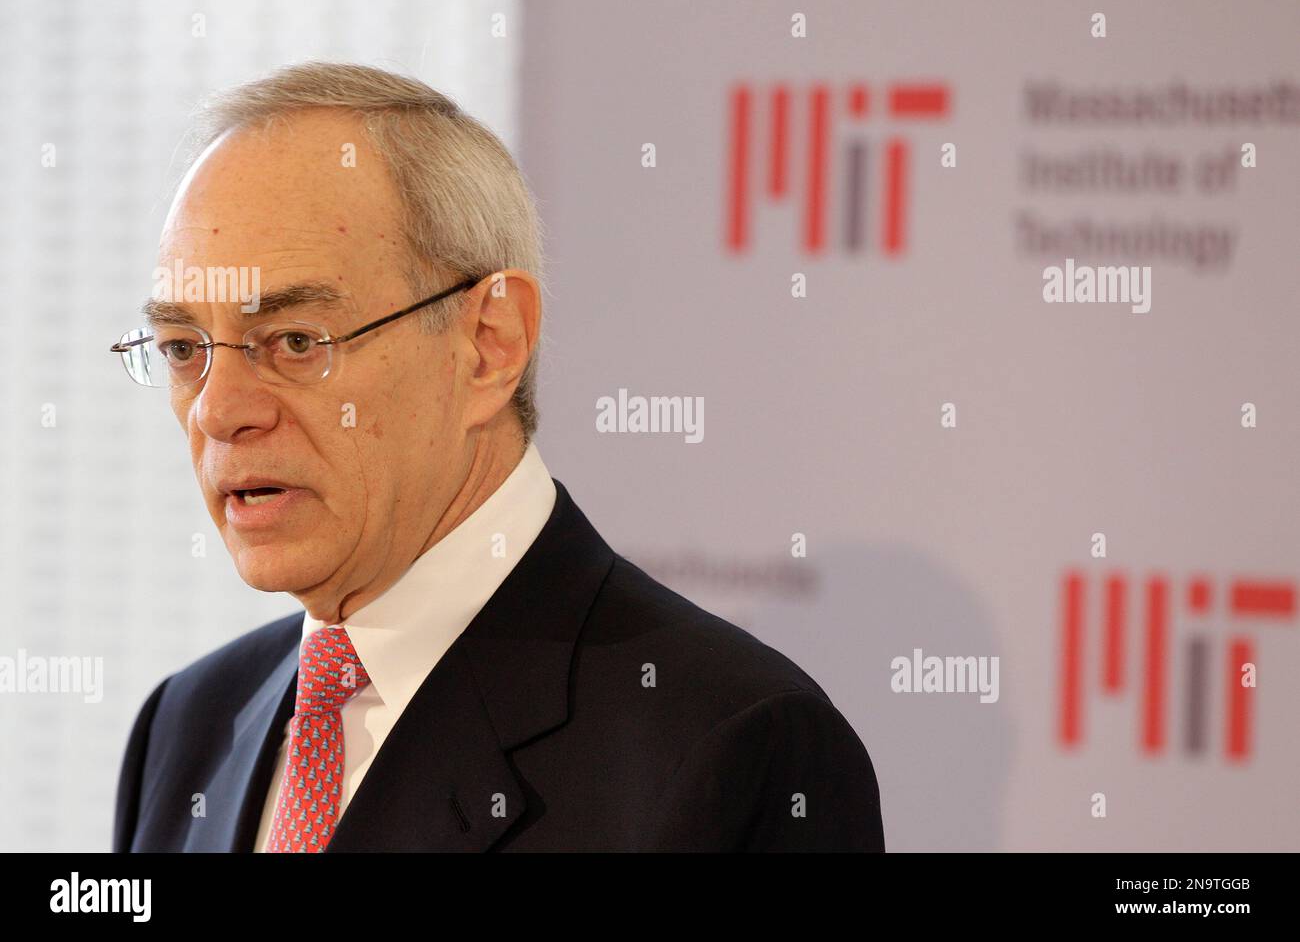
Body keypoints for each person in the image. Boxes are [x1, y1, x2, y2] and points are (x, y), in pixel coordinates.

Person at [109, 62, 885, 852]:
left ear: (489, 345)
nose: (219, 409)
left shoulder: (734, 749)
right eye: (181, 347)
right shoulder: (187, 725)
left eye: (297, 341)